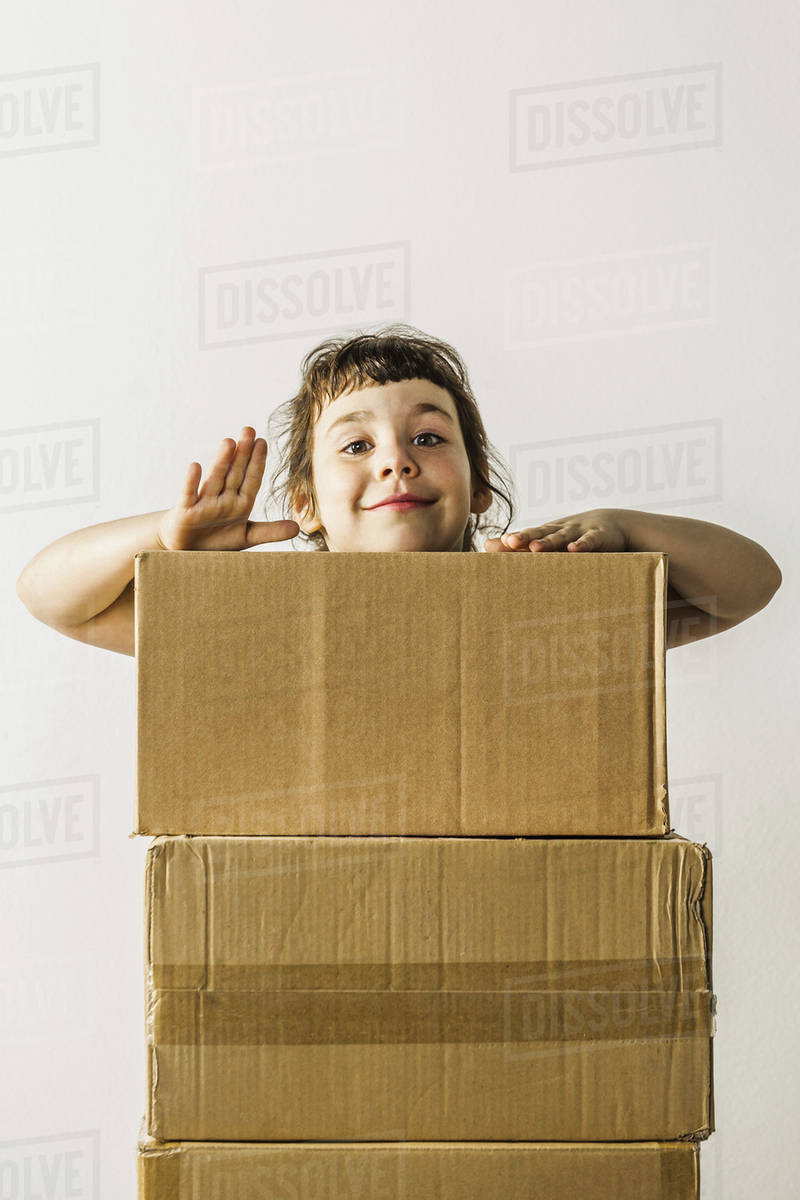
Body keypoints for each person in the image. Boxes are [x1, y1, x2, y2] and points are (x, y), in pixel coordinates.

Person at [16, 324, 781, 658]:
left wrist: (621, 528)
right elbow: (52, 596)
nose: (396, 462)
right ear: (306, 502)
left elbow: (748, 585)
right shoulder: (255, 622)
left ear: (479, 487)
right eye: (356, 445)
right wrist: (165, 540)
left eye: (428, 438)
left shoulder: (541, 598)